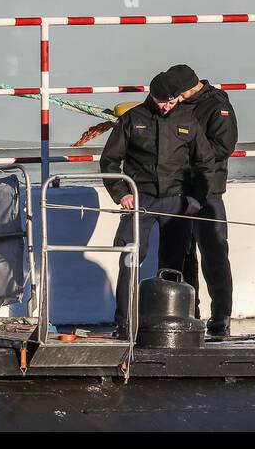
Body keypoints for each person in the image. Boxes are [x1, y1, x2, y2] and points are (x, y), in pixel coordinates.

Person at [99, 71, 218, 337]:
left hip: (177, 201)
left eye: (172, 101)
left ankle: (171, 323)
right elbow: (109, 161)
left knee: (174, 263)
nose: (167, 106)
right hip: (139, 200)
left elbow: (205, 163)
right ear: (152, 96)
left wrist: (196, 199)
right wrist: (121, 193)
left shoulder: (188, 120)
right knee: (131, 258)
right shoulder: (132, 119)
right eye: (162, 101)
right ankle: (124, 323)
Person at [159, 63, 238, 340]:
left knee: (214, 252)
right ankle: (187, 313)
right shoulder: (181, 105)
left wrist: (185, 152)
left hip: (207, 190)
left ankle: (221, 316)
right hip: (177, 188)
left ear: (189, 89)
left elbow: (223, 147)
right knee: (181, 254)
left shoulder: (217, 106)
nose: (175, 100)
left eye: (177, 95)